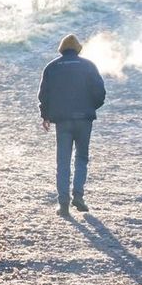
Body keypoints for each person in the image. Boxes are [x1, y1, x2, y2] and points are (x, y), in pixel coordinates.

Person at [38, 33, 106, 217]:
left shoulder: (52, 67)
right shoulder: (89, 66)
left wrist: (45, 115)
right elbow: (100, 93)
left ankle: (63, 204)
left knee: (63, 161)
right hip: (84, 120)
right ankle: (78, 196)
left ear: (61, 49)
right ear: (78, 49)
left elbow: (44, 95)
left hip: (63, 121)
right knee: (81, 158)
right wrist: (90, 107)